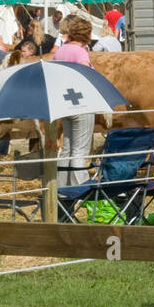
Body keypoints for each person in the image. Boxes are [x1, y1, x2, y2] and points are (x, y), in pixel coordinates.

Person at [51, 18, 98, 186]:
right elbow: (85, 75)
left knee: (67, 149)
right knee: (80, 150)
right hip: (82, 103)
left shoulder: (60, 52)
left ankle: (62, 187)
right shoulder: (81, 52)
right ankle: (80, 188)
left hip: (65, 104)